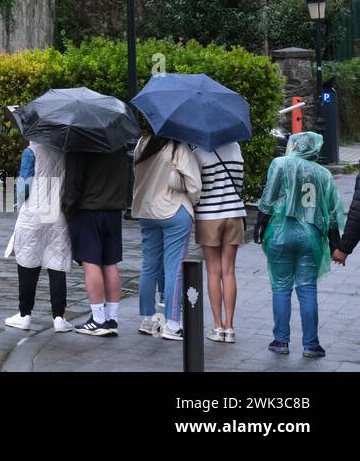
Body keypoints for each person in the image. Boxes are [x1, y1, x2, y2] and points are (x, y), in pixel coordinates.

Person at [255, 132, 344, 357]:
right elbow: (333, 212)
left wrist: (260, 224)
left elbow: (269, 196)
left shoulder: (281, 164)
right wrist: (336, 243)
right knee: (307, 288)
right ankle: (311, 344)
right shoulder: (324, 174)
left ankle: (281, 340)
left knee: (281, 286)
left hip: (281, 232)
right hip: (310, 237)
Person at [131, 133, 202, 341]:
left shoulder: (142, 144)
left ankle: (147, 319)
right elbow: (195, 186)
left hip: (146, 211)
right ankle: (172, 323)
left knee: (149, 266)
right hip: (174, 210)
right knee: (174, 268)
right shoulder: (178, 148)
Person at [5, 141, 74, 333]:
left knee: (27, 262)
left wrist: (18, 205)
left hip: (32, 215)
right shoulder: (65, 150)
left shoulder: (31, 151)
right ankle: (59, 318)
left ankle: (24, 315)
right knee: (56, 265)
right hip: (57, 216)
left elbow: (23, 187)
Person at [62, 144, 130, 336]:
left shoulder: (80, 141)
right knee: (110, 263)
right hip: (114, 209)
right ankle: (112, 318)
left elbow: (73, 182)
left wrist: (68, 210)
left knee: (90, 262)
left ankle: (98, 318)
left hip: (88, 210)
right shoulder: (118, 141)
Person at [193, 140, 246, 343]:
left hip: (209, 215)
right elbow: (239, 183)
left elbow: (196, 188)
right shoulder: (235, 147)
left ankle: (217, 326)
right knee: (229, 271)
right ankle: (230, 327)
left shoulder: (198, 152)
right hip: (234, 214)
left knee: (213, 271)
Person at [15, 143, 36, 210]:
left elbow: (24, 186)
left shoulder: (30, 152)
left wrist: (19, 204)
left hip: (33, 207)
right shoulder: (61, 152)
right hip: (58, 208)